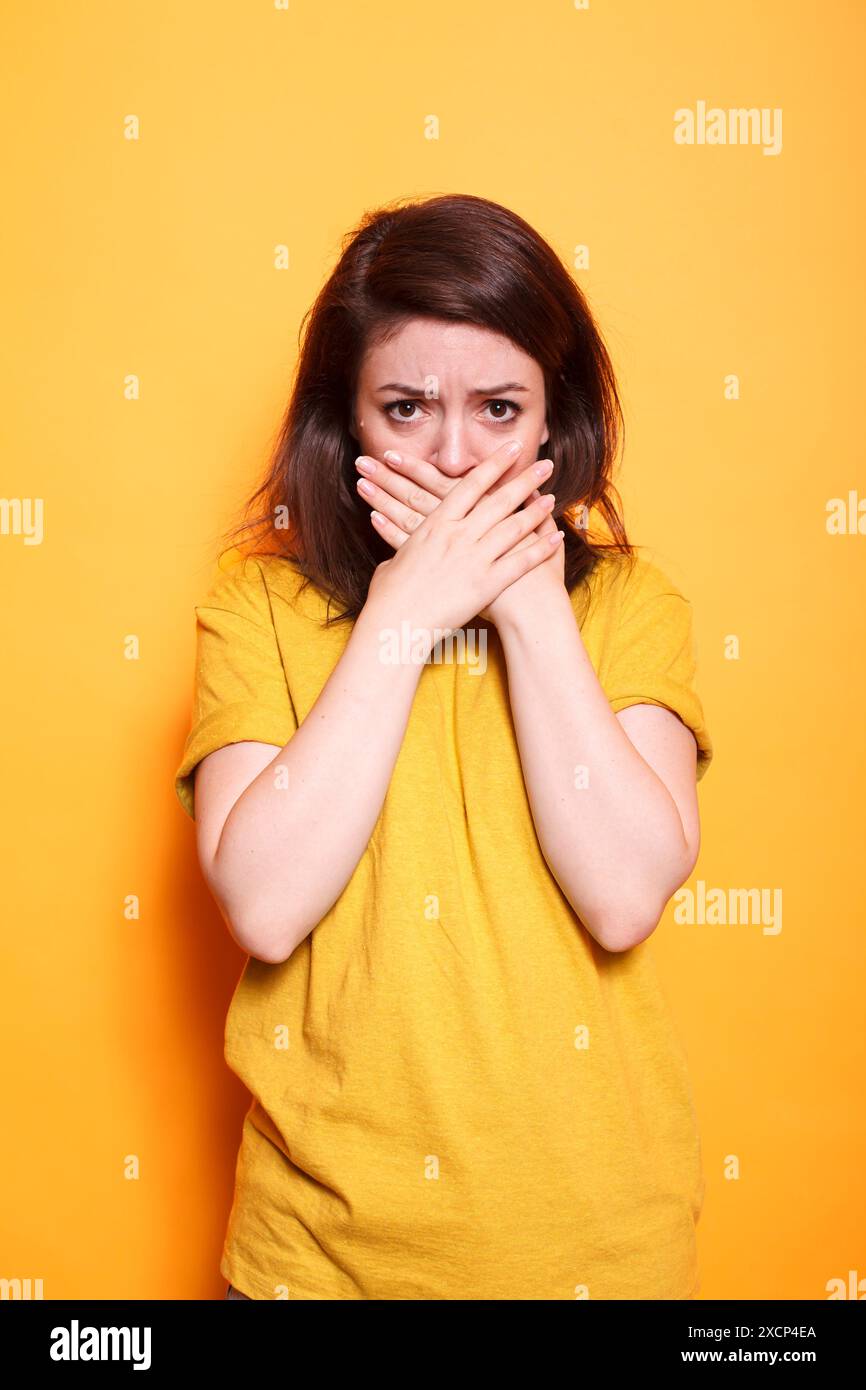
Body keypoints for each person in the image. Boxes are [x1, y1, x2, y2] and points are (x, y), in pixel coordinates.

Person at [175, 193, 714, 1301]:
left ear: (554, 427)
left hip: (596, 1259)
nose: (458, 454)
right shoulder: (257, 605)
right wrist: (403, 614)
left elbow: (621, 896)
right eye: (407, 408)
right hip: (315, 1265)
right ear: (346, 422)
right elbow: (266, 903)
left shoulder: (630, 609)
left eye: (499, 409)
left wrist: (524, 604)